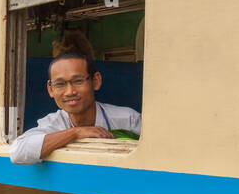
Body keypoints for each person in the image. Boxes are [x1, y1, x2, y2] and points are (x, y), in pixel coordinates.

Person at [9, 52, 141, 164]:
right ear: (50, 89)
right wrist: (76, 133)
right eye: (60, 84)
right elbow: (17, 151)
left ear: (96, 81)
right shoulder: (53, 122)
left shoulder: (128, 119)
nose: (70, 92)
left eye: (78, 81)